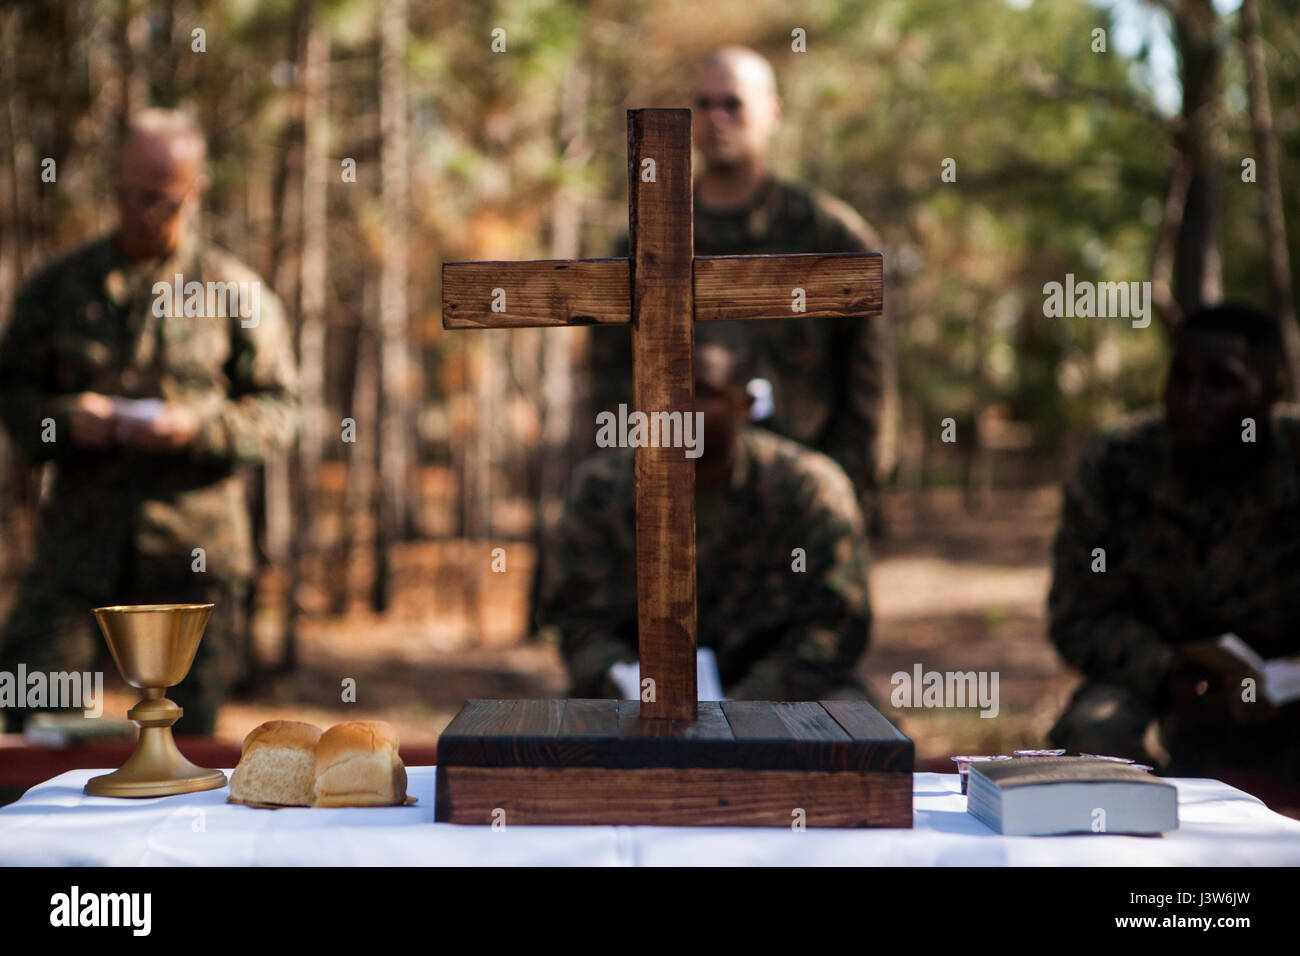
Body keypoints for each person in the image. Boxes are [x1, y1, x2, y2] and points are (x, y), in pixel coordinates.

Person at [0, 109, 298, 735]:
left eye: (165, 202)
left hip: (192, 558)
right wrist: (62, 419)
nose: (146, 214)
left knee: (187, 752)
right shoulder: (60, 288)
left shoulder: (233, 291)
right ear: (116, 186)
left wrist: (198, 429)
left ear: (195, 191)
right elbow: (13, 395)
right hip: (78, 550)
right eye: (135, 197)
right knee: (31, 718)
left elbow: (279, 410)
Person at [588, 45, 895, 528]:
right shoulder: (648, 237)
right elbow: (609, 383)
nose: (716, 118)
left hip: (794, 509)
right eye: (703, 104)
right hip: (671, 501)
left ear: (772, 113)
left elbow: (867, 389)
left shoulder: (829, 236)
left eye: (732, 103)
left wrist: (843, 497)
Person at [539, 335, 872, 701]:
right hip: (638, 697)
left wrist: (742, 707)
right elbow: (577, 620)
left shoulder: (808, 489)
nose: (678, 408)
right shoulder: (600, 490)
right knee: (553, 745)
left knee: (855, 736)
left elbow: (836, 623)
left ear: (744, 405)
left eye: (702, 392)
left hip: (783, 692)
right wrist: (627, 685)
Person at [1047, 303, 1300, 783]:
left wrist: (1277, 685)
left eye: (1220, 382)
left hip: (1286, 692)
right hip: (1155, 683)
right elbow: (1079, 615)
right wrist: (1167, 673)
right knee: (1093, 735)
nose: (1191, 399)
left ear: (1270, 392)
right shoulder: (1116, 463)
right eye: (1179, 378)